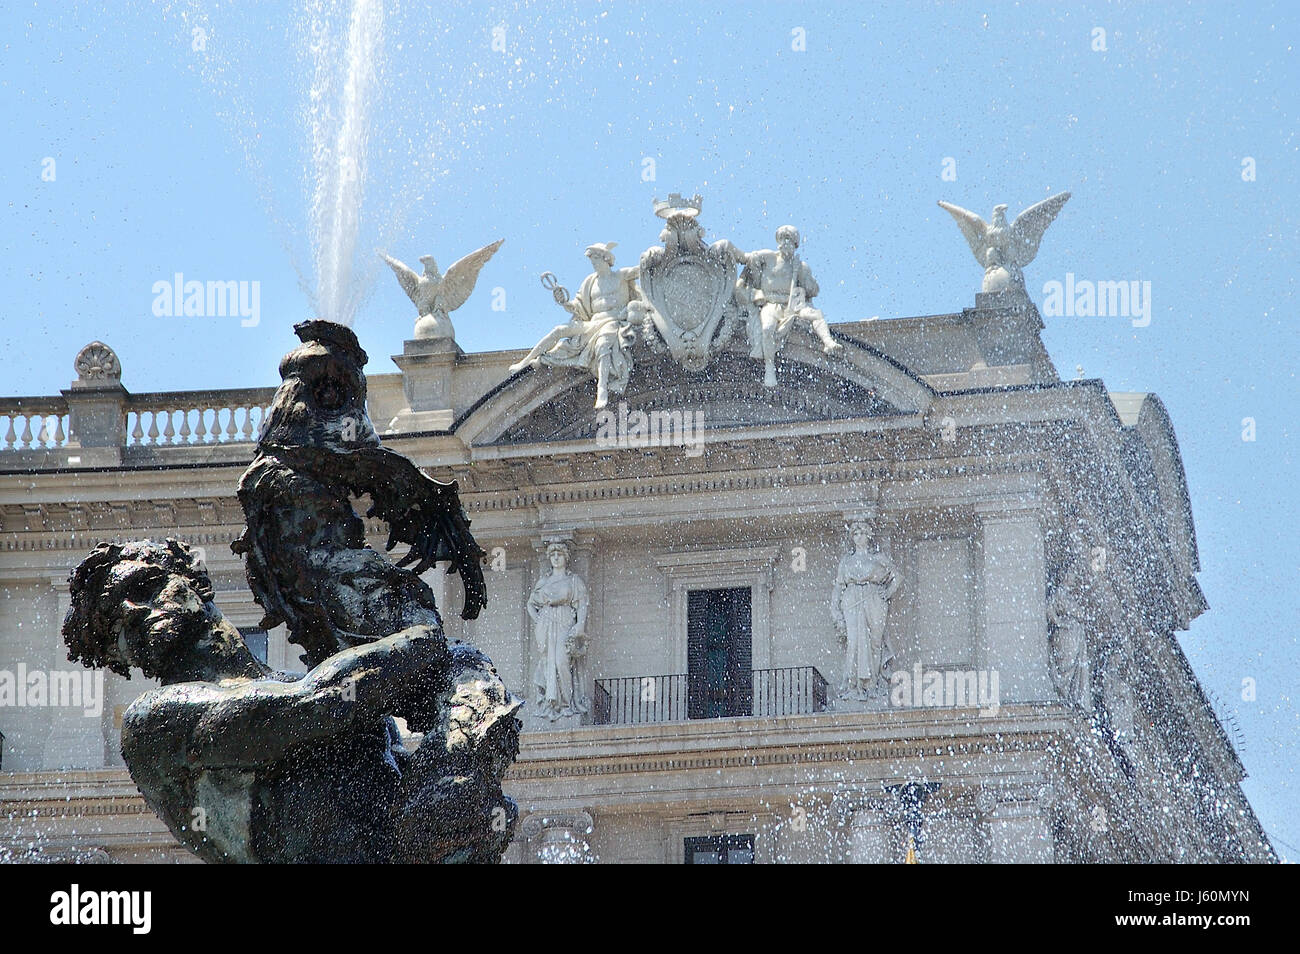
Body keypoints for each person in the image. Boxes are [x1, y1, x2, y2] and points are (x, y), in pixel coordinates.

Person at [62, 538, 521, 863]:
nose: (133, 612)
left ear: (195, 586)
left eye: (145, 588)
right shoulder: (154, 721)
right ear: (117, 656)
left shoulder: (296, 683)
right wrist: (424, 639)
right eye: (113, 624)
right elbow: (319, 703)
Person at [509, 243, 641, 409]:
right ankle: (526, 361)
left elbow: (641, 269)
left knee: (603, 344)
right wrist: (564, 302)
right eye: (591, 261)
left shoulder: (621, 276)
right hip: (593, 323)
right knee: (559, 330)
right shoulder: (590, 282)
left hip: (613, 321)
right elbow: (577, 308)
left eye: (595, 259)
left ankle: (602, 389)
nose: (593, 263)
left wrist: (655, 255)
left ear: (606, 258)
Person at [741, 225, 844, 387]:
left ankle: (828, 342)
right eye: (782, 239)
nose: (785, 243)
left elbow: (813, 290)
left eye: (789, 240)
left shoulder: (801, 267)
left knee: (816, 315)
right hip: (771, 303)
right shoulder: (768, 257)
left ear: (795, 244)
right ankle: (769, 365)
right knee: (767, 329)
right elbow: (748, 259)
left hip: (793, 305)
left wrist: (804, 276)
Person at [831, 521, 900, 700]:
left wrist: (888, 592)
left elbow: (897, 577)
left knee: (874, 643)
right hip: (852, 600)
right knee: (854, 643)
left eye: (861, 533)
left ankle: (873, 684)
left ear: (868, 535)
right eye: (855, 534)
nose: (858, 537)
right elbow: (838, 587)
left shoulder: (878, 558)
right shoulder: (846, 561)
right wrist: (835, 611)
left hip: (874, 600)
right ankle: (854, 686)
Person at [527, 541, 590, 719]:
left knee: (562, 661)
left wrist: (580, 625)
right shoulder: (544, 581)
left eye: (559, 554)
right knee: (548, 662)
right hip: (546, 624)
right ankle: (551, 703)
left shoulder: (573, 581)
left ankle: (566, 703)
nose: (555, 558)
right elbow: (531, 605)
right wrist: (539, 621)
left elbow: (582, 605)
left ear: (566, 557)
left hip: (565, 620)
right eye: (553, 554)